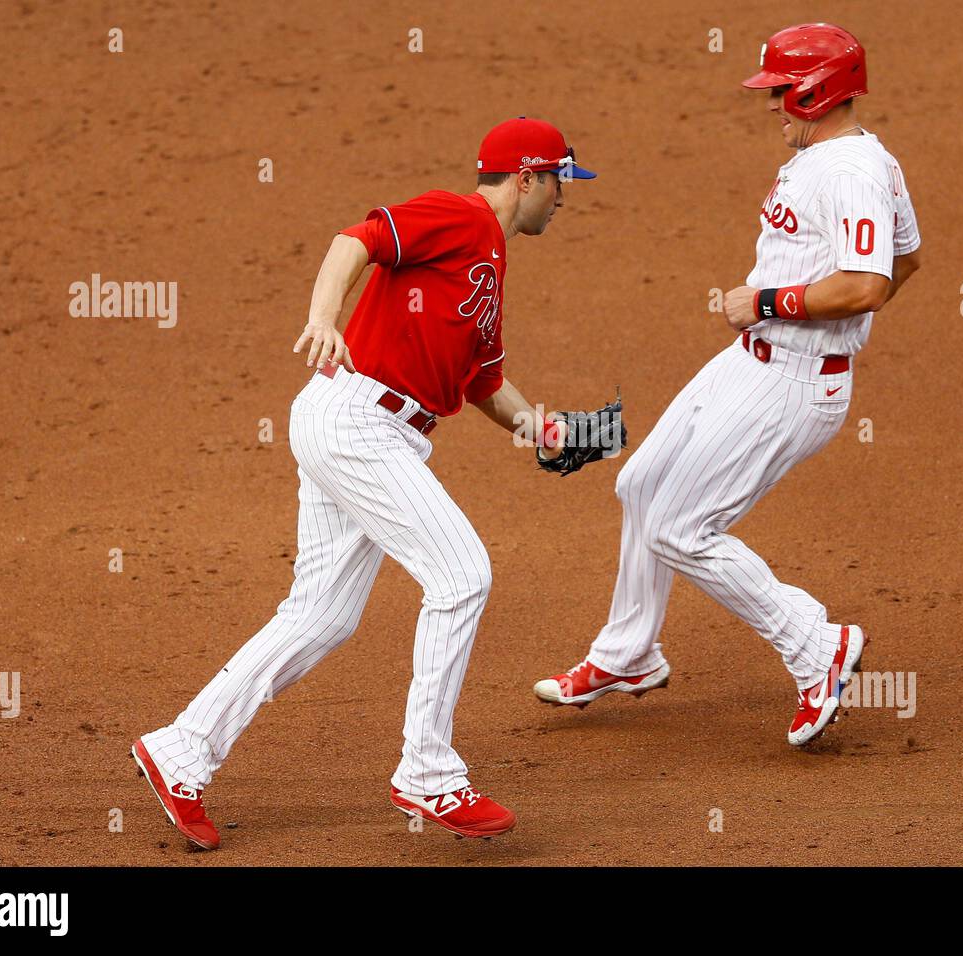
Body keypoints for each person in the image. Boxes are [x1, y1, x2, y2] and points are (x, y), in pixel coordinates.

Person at [132, 118, 610, 846]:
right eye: (560, 183)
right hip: (358, 419)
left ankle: (182, 747)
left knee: (321, 616)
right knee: (462, 575)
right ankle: (428, 774)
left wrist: (545, 429)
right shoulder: (457, 216)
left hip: (372, 430)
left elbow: (483, 382)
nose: (564, 199)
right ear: (528, 177)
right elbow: (353, 240)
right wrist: (324, 320)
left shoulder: (490, 263)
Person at [533, 24, 923, 747]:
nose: (772, 103)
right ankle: (629, 655)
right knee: (641, 486)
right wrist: (797, 314)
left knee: (684, 528)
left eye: (780, 91)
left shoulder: (849, 172)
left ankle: (816, 646)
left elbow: (871, 282)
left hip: (793, 379)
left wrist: (779, 305)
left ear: (815, 90)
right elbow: (906, 259)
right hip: (752, 361)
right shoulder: (840, 158)